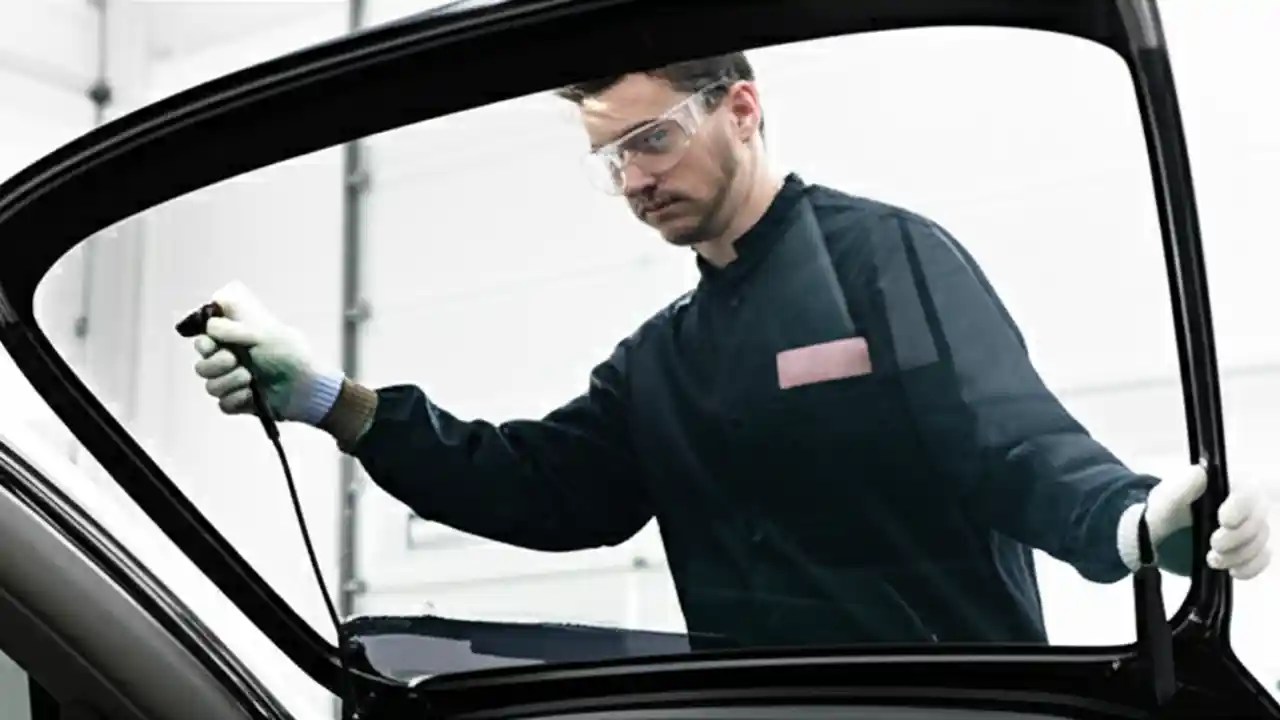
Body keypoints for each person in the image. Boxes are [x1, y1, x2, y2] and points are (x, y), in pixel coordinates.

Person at [190, 53, 1271, 646]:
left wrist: (1134, 525)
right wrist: (332, 398)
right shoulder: (658, 363)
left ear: (740, 109)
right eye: (608, 158)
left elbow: (1010, 447)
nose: (633, 181)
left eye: (651, 139)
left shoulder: (884, 262)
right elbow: (536, 488)